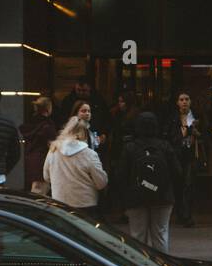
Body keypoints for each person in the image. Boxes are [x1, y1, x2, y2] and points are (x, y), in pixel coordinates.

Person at [113, 110, 180, 251]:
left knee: (138, 237)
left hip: (136, 198)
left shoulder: (130, 147)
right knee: (161, 235)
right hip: (163, 197)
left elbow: (121, 175)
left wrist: (125, 197)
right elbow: (177, 172)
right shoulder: (165, 146)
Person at [43, 116, 108, 220]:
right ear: (84, 134)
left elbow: (46, 177)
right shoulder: (90, 154)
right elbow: (101, 183)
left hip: (59, 203)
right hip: (85, 205)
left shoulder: (53, 150)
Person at [165, 92, 203, 228]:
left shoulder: (197, 117)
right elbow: (169, 137)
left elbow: (206, 134)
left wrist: (197, 133)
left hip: (191, 154)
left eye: (187, 99)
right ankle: (181, 213)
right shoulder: (173, 118)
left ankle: (187, 215)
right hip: (177, 154)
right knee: (178, 185)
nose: (184, 102)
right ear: (177, 102)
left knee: (189, 184)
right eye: (181, 99)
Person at [20, 96, 56, 195]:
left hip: (31, 162)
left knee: (35, 192)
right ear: (48, 108)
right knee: (40, 195)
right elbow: (52, 146)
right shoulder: (48, 126)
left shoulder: (30, 124)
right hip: (43, 163)